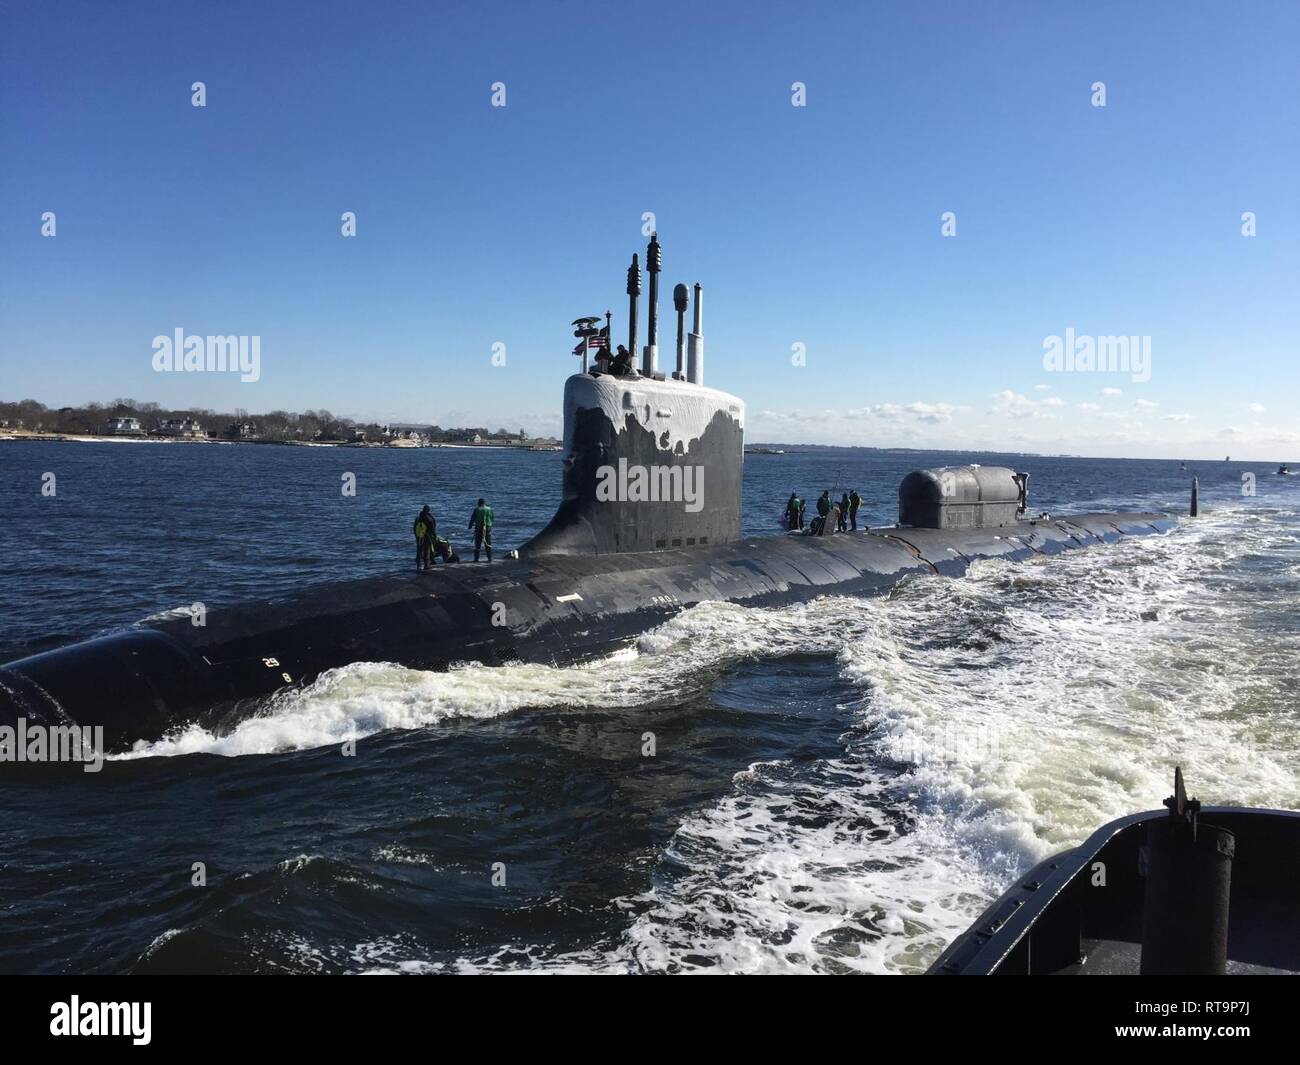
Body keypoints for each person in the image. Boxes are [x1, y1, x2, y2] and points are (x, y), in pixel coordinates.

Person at [468, 497, 494, 562]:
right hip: (487, 528)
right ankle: (490, 558)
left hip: (479, 528)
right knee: (488, 543)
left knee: (478, 544)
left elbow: (472, 518)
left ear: (479, 503)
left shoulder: (477, 509)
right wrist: (490, 525)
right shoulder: (489, 509)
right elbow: (492, 518)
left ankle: (476, 559)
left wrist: (470, 526)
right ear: (484, 503)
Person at [413, 505, 436, 570]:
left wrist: (417, 536)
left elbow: (414, 528)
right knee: (426, 551)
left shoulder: (417, 518)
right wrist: (434, 536)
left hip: (419, 537)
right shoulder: (429, 518)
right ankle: (426, 565)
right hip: (427, 537)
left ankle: (418, 565)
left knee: (419, 551)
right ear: (428, 510)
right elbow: (433, 529)